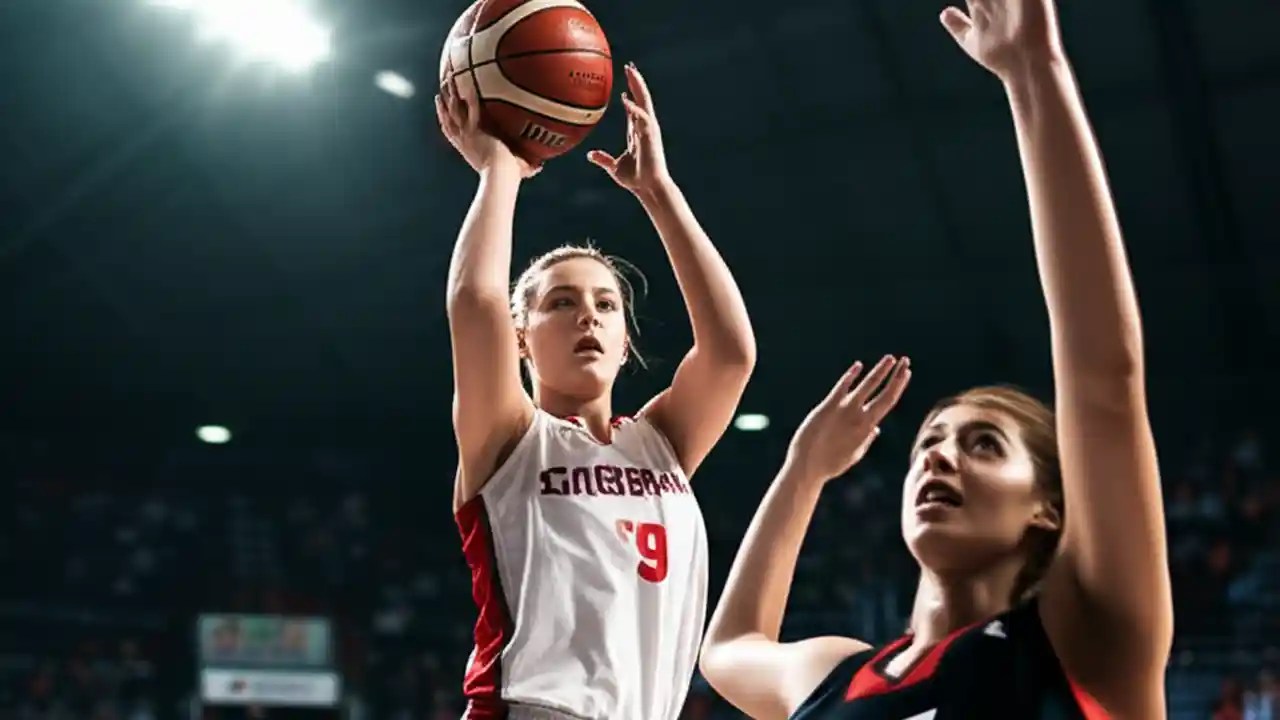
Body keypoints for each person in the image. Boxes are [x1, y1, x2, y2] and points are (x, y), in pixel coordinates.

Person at [698, 1, 1174, 717]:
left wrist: (1034, 75)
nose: (937, 459)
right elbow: (728, 647)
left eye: (983, 443)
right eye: (928, 443)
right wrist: (804, 470)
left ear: (1048, 508)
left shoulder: (1089, 638)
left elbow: (1104, 377)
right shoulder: (836, 676)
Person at [436, 61, 756, 720]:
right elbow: (475, 302)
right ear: (520, 338)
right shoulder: (512, 437)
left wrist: (659, 191)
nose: (589, 316)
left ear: (624, 338)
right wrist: (499, 172)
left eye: (607, 305)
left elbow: (729, 353)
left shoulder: (659, 442)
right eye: (562, 303)